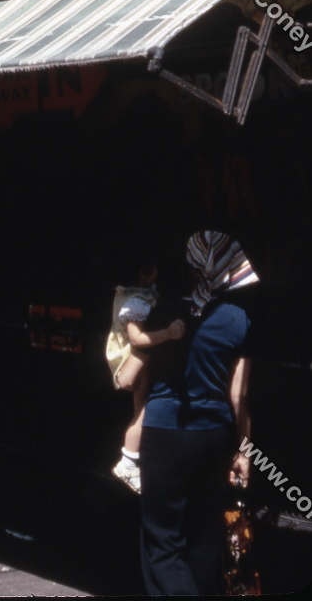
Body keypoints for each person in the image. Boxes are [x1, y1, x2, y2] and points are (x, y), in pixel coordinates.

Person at [139, 230, 258, 596]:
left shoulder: (163, 312)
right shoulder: (240, 319)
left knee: (163, 543)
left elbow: (129, 377)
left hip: (164, 431)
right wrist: (243, 452)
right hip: (214, 435)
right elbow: (238, 395)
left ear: (192, 268)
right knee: (206, 538)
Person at [107, 256, 185, 493]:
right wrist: (168, 333)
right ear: (140, 274)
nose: (156, 269)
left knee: (142, 408)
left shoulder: (139, 292)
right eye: (151, 267)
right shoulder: (135, 302)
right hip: (127, 358)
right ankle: (128, 462)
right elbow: (137, 338)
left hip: (133, 358)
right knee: (142, 410)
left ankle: (132, 459)